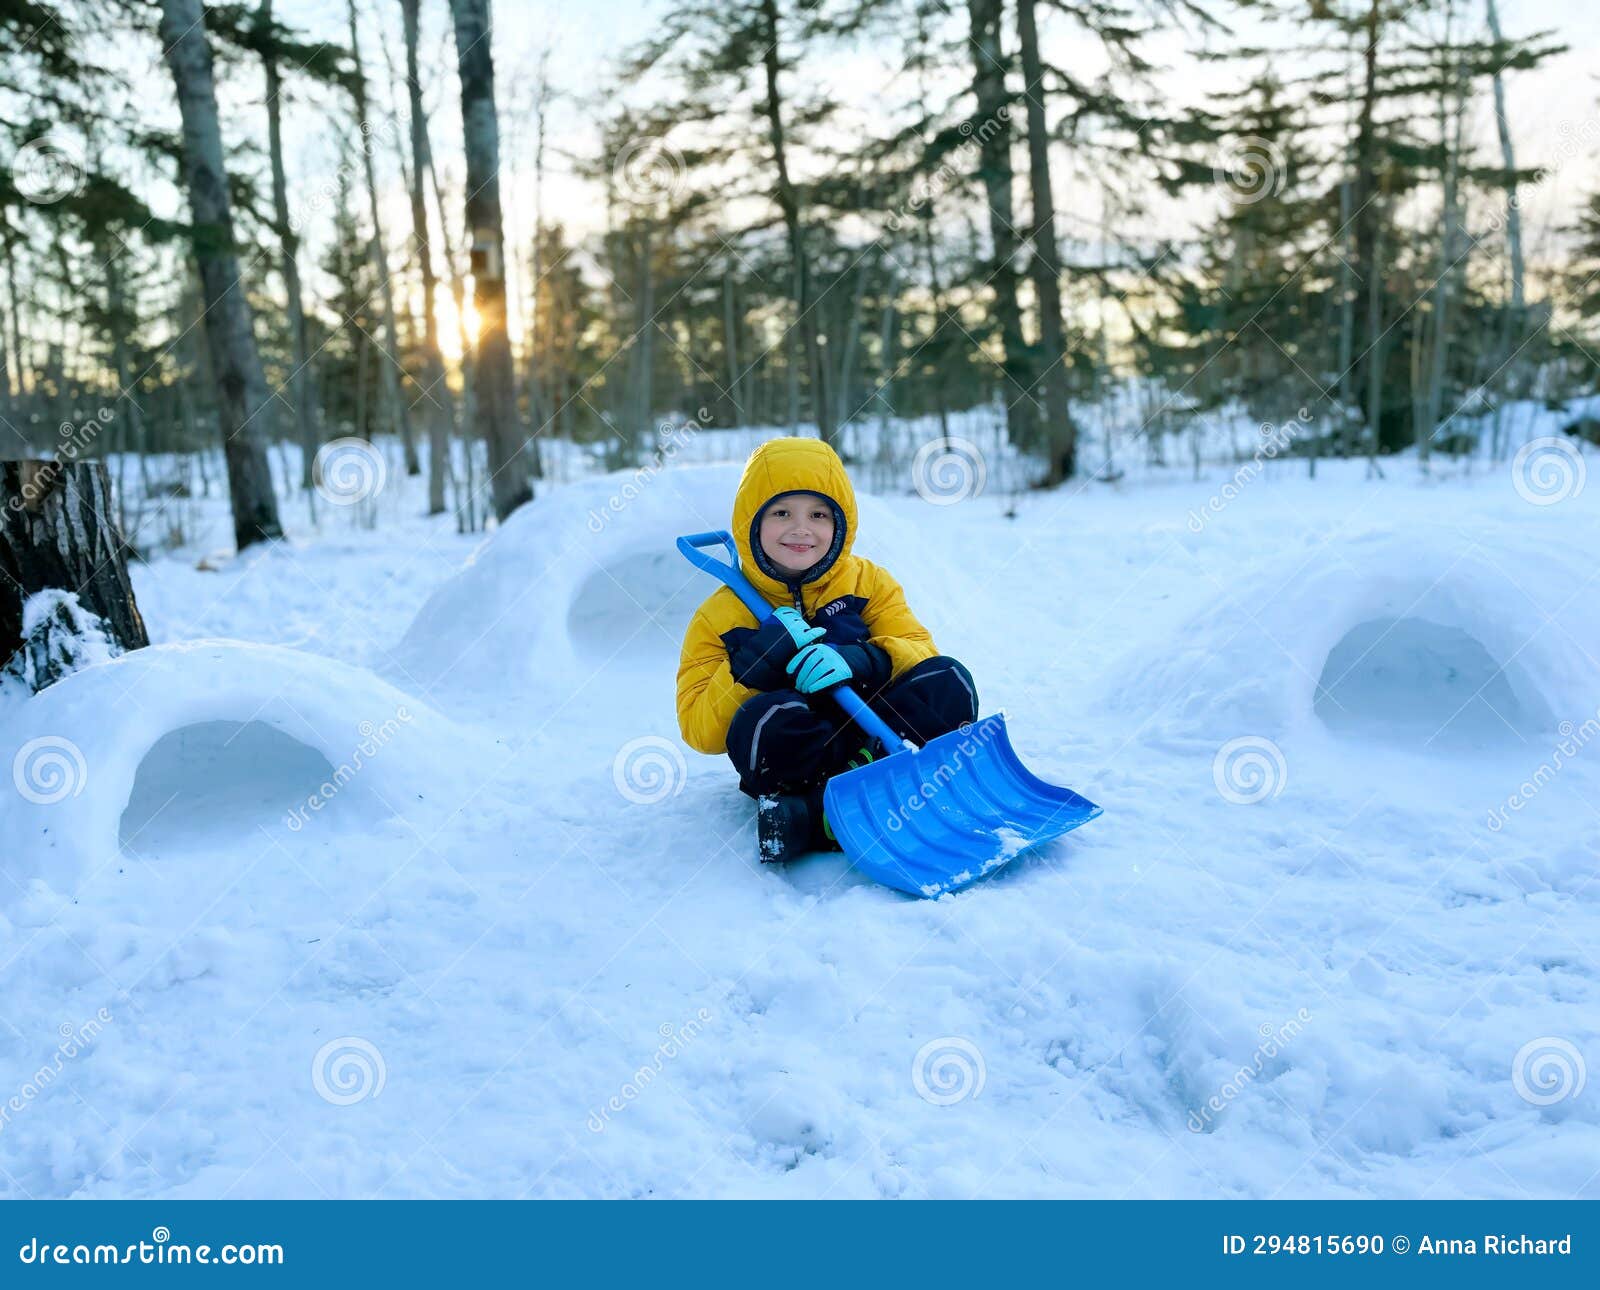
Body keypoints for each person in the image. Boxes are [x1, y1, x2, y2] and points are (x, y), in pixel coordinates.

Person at [675, 437, 978, 856]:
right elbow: (698, 730)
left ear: (842, 523)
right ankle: (862, 800)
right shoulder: (719, 617)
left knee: (949, 679)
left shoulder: (868, 583)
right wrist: (753, 669)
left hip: (881, 727)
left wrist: (862, 658)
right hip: (805, 754)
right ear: (751, 522)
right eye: (782, 512)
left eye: (818, 514)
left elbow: (919, 647)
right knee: (763, 722)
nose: (801, 529)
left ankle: (820, 817)